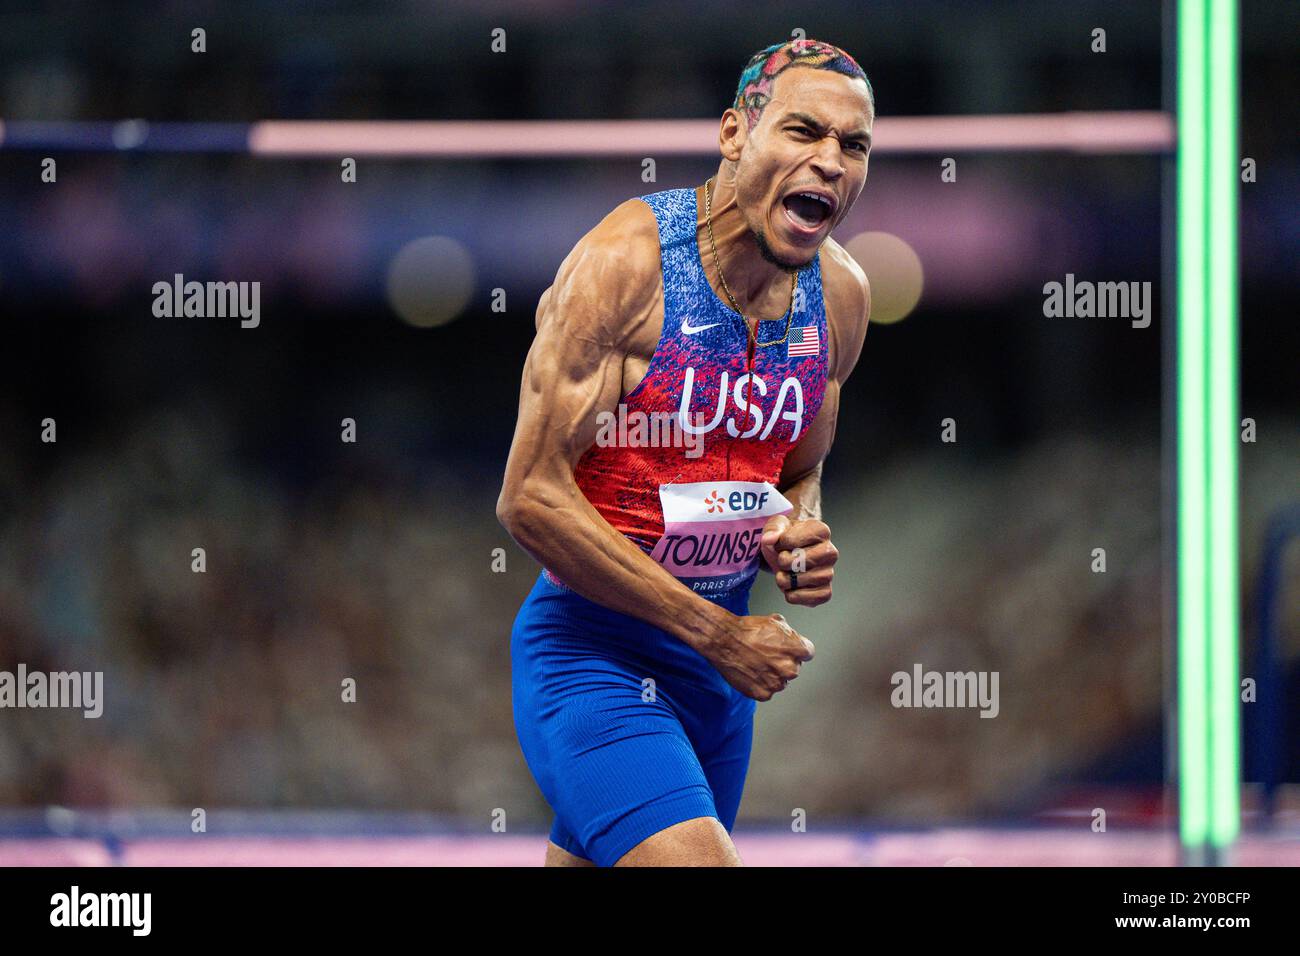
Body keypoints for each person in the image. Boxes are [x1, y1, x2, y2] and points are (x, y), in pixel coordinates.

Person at [498, 38, 874, 866]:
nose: (831, 162)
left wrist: (799, 531)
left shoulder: (841, 294)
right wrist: (718, 634)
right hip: (594, 654)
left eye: (853, 146)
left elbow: (800, 464)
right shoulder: (625, 267)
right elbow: (528, 496)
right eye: (804, 132)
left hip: (714, 683)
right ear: (735, 134)